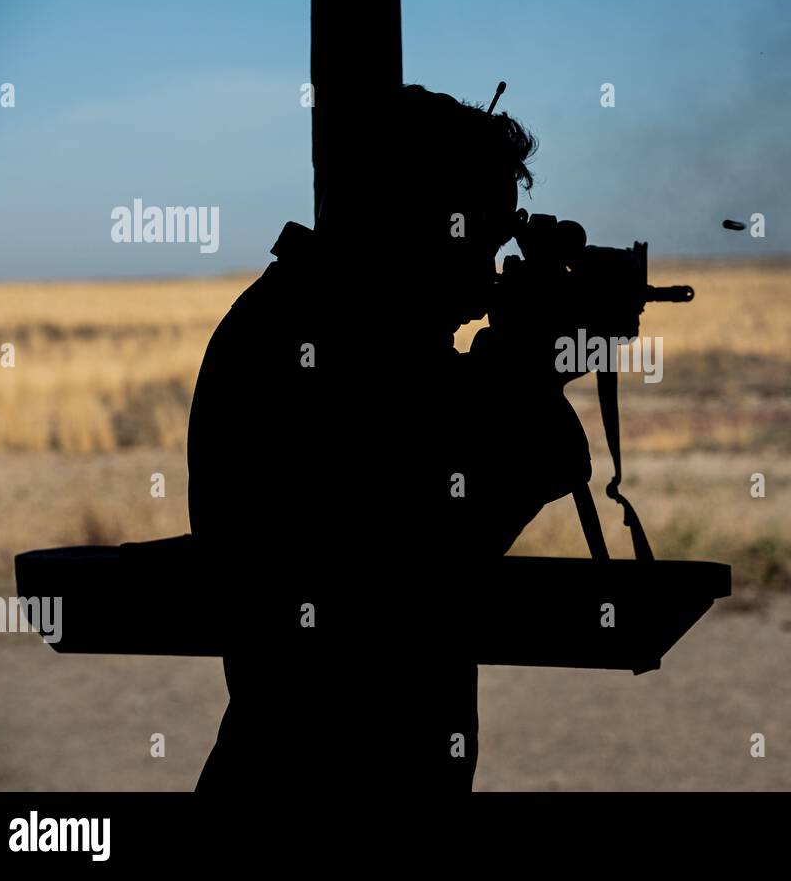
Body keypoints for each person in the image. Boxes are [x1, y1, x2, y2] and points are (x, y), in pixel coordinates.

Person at [188, 84, 591, 793]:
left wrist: (520, 365)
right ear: (415, 219)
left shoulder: (324, 321)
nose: (489, 272)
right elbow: (434, 535)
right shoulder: (325, 339)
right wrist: (526, 368)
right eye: (482, 236)